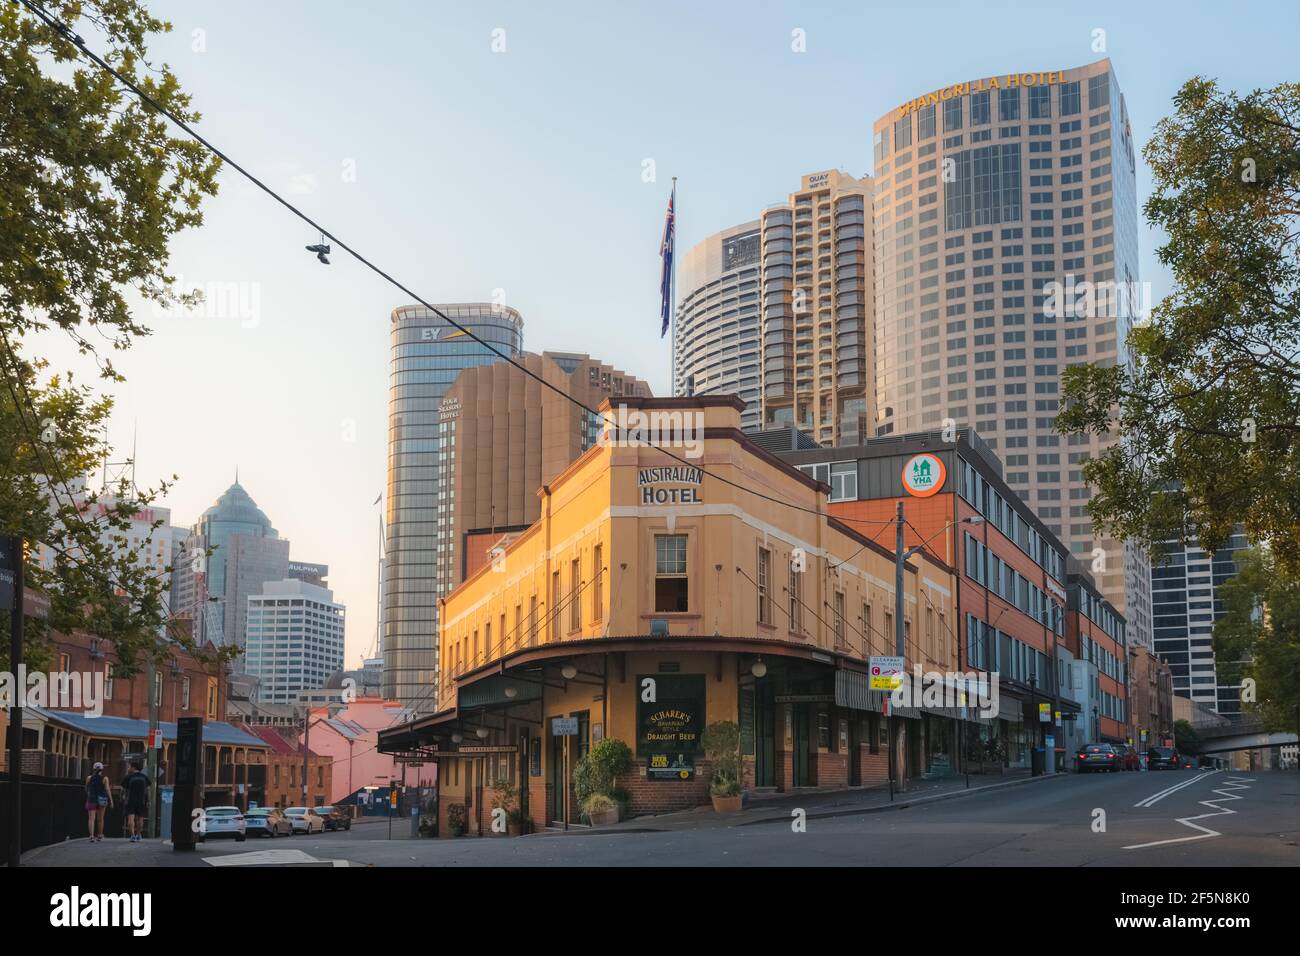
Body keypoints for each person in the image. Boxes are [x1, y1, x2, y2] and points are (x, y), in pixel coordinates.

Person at [121, 761, 150, 843]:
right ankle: (139, 835)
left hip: (131, 800)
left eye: (129, 767)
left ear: (133, 768)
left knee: (131, 818)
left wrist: (123, 798)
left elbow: (124, 789)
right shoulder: (144, 777)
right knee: (140, 818)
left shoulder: (128, 777)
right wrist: (148, 800)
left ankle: (132, 836)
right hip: (141, 800)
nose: (128, 768)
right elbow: (147, 790)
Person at [84, 761, 112, 842]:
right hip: (101, 800)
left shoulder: (89, 778)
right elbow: (107, 790)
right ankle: (100, 835)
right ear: (102, 769)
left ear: (93, 769)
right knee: (100, 819)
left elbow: (86, 788)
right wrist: (111, 800)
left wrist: (89, 794)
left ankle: (91, 836)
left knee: (91, 819)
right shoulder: (105, 778)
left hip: (91, 799)